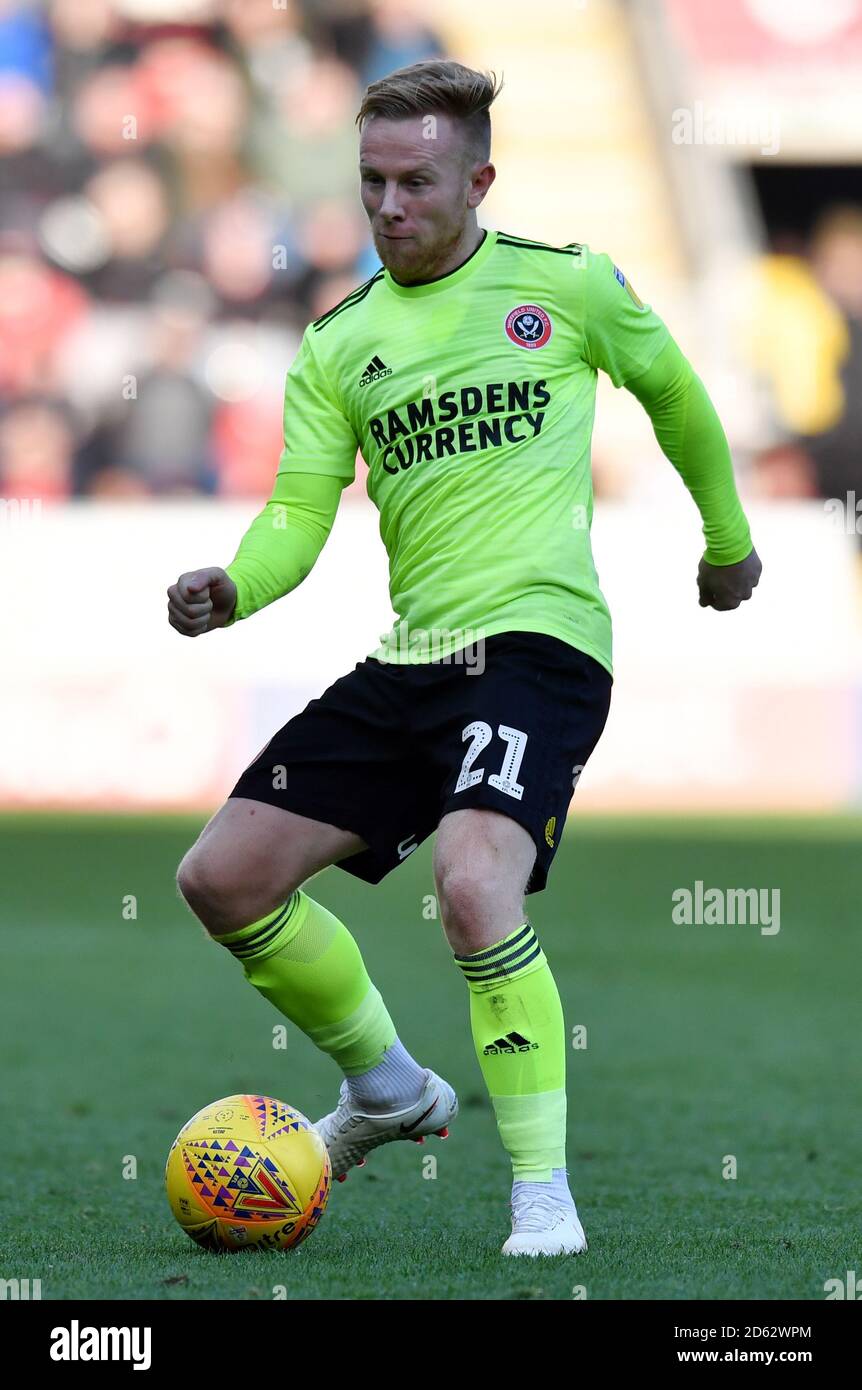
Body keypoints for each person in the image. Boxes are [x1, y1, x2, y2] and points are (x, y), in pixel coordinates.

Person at [168, 59, 761, 1257]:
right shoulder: (342, 341)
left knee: (474, 884)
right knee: (221, 878)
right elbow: (297, 513)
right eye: (373, 182)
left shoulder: (567, 286)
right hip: (414, 659)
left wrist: (727, 542)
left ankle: (542, 1196)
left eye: (416, 183)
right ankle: (387, 1088)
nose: (389, 207)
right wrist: (235, 585)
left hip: (539, 645)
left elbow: (677, 396)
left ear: (478, 178)